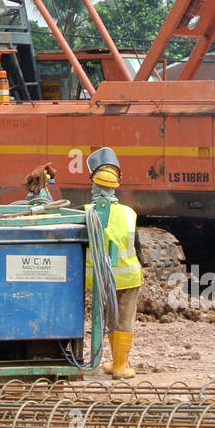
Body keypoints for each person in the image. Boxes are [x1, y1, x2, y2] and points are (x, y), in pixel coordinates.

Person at [85, 147, 142, 379]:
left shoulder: (87, 212)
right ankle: (120, 365)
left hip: (100, 278)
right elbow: (137, 248)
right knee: (125, 319)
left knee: (110, 319)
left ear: (94, 185)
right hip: (128, 278)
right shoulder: (129, 213)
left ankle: (111, 362)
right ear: (115, 186)